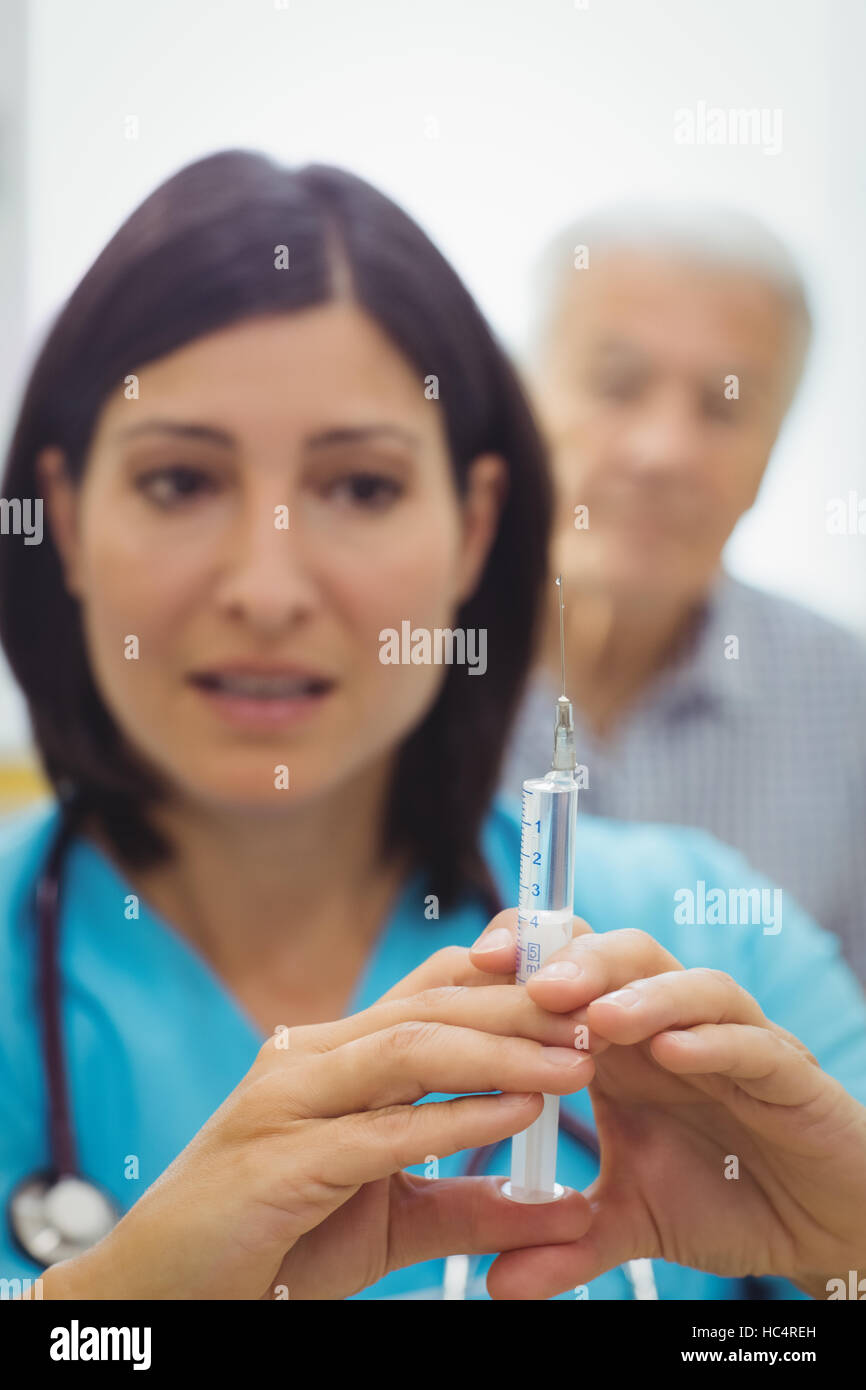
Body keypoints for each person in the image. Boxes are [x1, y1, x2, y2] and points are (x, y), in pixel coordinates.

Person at [0, 152, 864, 1302]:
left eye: (359, 488)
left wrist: (850, 1260)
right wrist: (109, 1316)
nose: (266, 586)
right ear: (61, 515)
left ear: (474, 526)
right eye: (178, 481)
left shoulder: (715, 945)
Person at [501, 202, 866, 985]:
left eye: (725, 407)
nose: (664, 451)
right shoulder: (391, 668)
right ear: (521, 398)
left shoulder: (850, 705)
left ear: (776, 448)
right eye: (617, 385)